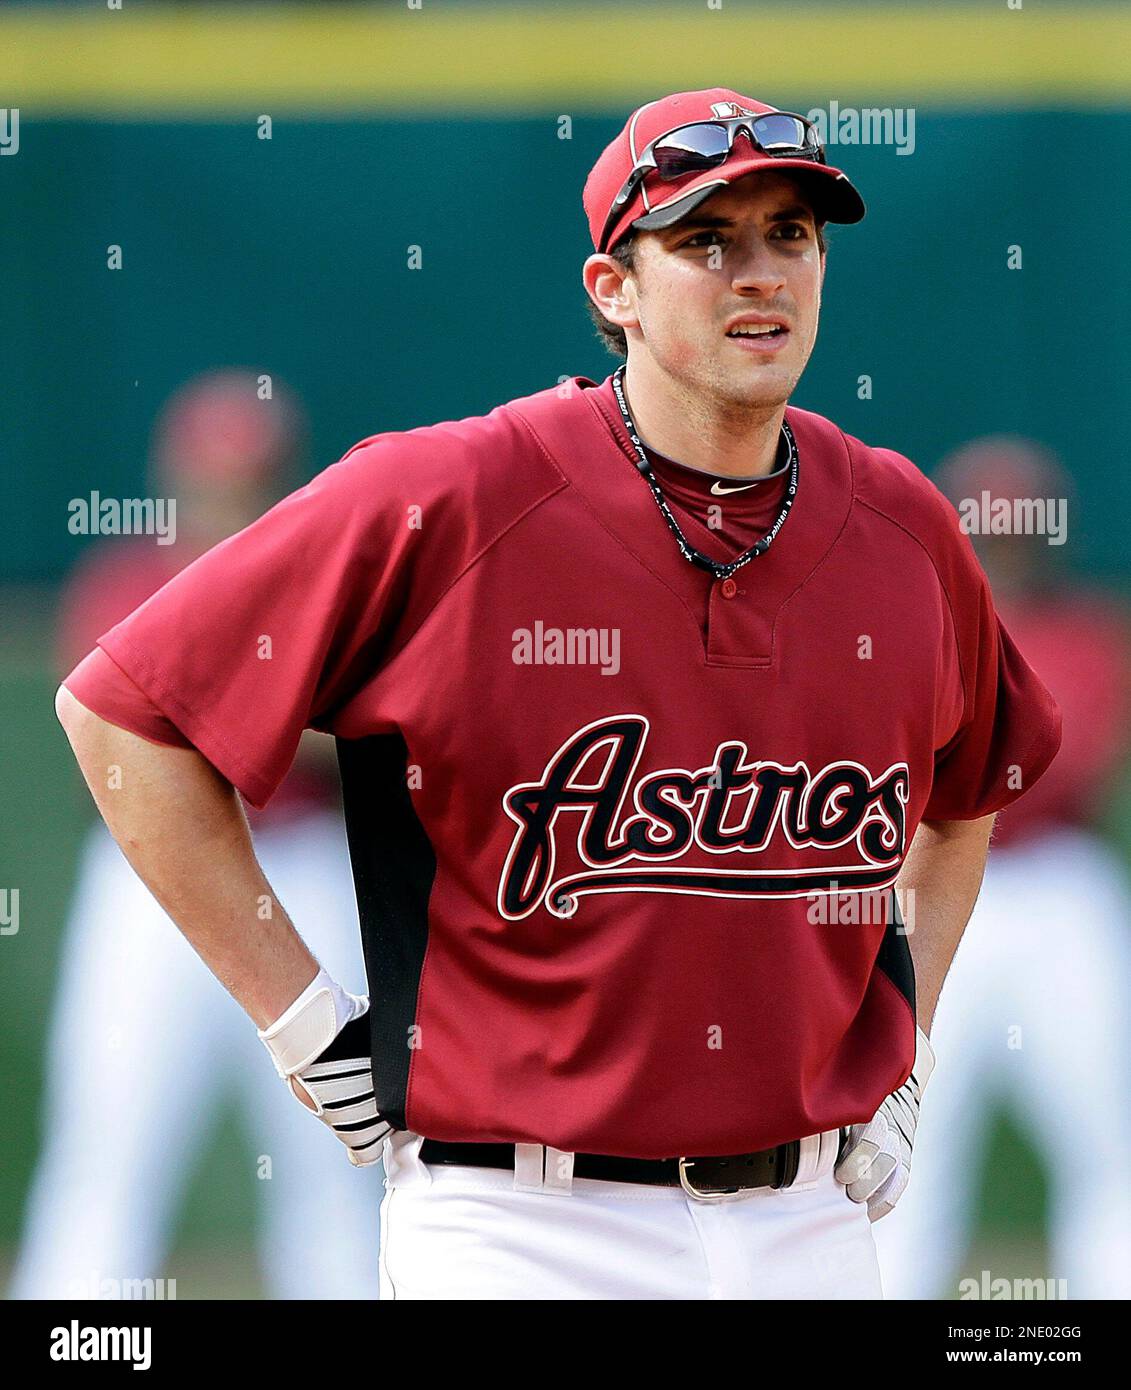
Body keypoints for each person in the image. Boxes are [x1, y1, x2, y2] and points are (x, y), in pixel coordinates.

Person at [53, 89, 1061, 1301]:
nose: (761, 274)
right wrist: (299, 1013)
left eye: (791, 234)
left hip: (812, 1224)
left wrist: (907, 1039)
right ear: (612, 289)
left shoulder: (903, 526)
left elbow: (969, 788)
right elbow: (122, 713)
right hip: (521, 1228)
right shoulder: (448, 497)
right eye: (706, 241)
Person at [14, 372, 382, 1300]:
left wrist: (212, 720)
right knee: (111, 1137)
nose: (231, 493)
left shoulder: (326, 581)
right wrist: (263, 722)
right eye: (216, 474)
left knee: (340, 1141)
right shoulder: (131, 578)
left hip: (304, 868)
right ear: (177, 473)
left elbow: (353, 742)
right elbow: (123, 748)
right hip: (151, 881)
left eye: (252, 473)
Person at [872, 437, 1131, 1299]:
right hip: (938, 882)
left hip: (1054, 885)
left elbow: (1062, 768)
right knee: (913, 1127)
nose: (1004, 535)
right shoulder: (911, 628)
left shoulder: (1085, 628)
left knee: (1102, 1126)